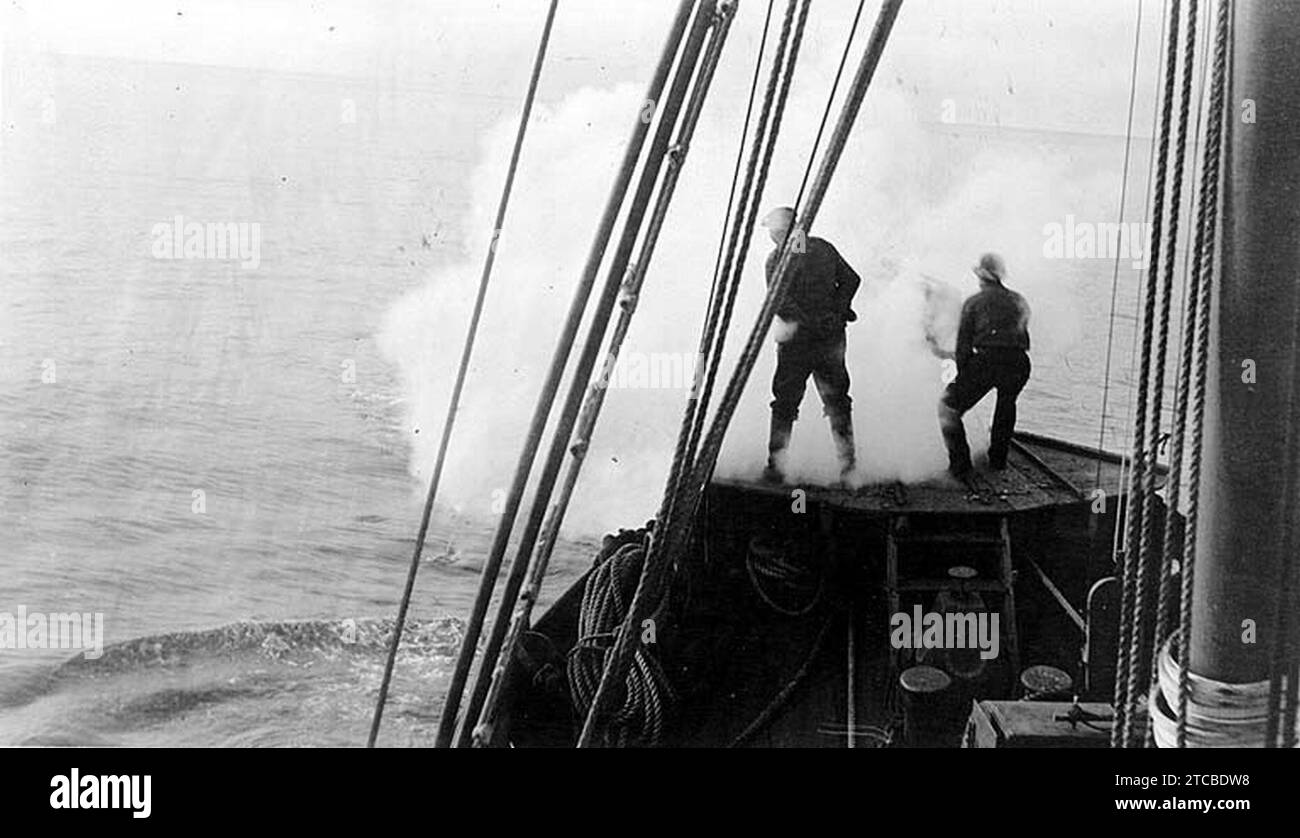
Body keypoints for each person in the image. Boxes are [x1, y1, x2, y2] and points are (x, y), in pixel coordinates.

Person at [760, 206, 862, 484]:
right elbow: (852, 279)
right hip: (830, 337)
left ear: (779, 231)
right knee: (838, 400)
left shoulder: (776, 259)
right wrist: (838, 311)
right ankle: (849, 467)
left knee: (785, 402)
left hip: (798, 343)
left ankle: (776, 467)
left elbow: (779, 303)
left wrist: (806, 322)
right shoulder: (823, 248)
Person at [937, 252, 1031, 479]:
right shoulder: (1019, 300)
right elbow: (1019, 334)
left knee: (947, 408)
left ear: (981, 277)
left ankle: (960, 466)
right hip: (1019, 363)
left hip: (988, 361)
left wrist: (964, 376)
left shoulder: (973, 303)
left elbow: (963, 348)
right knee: (1006, 405)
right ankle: (998, 460)